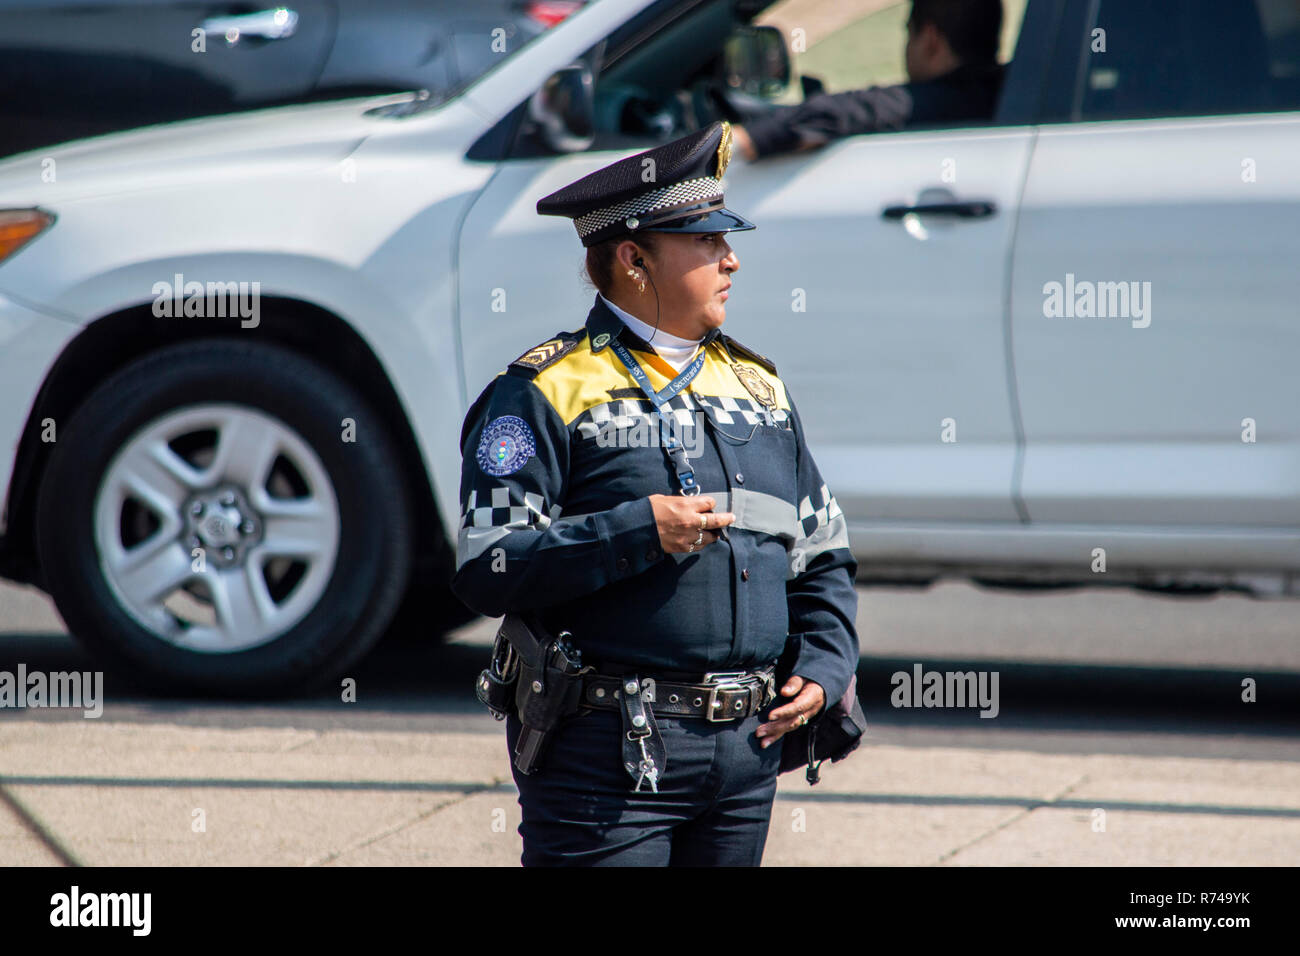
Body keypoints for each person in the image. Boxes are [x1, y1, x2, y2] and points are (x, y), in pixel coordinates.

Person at [451, 120, 859, 866]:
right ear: (634, 259)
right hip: (604, 761)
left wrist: (828, 666)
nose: (731, 258)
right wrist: (635, 531)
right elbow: (488, 565)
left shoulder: (758, 387)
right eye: (706, 241)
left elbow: (824, 552)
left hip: (746, 758)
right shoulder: (539, 393)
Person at [732, 0, 1004, 161]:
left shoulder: (945, 100)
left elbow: (846, 111)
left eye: (910, 33)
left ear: (931, 40)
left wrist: (747, 139)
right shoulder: (1011, 95)